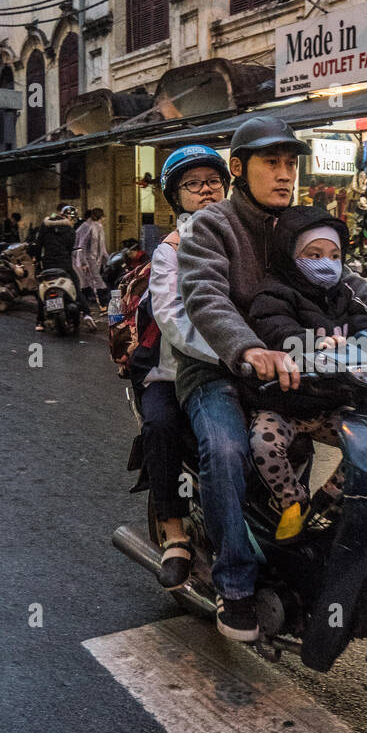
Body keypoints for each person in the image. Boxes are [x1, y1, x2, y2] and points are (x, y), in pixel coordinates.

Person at [175, 114, 367, 642]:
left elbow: (361, 294)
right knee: (229, 449)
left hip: (300, 372)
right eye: (271, 163)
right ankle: (234, 586)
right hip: (217, 368)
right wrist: (249, 348)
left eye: (290, 164)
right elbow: (205, 297)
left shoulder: (300, 226)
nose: (284, 175)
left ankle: (323, 533)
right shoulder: (211, 226)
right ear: (238, 169)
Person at [246, 207, 367, 539]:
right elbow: (276, 330)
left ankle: (329, 498)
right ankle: (292, 502)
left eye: (335, 255)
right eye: (315, 254)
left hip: (330, 404)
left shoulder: (345, 294)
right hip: (284, 403)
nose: (327, 262)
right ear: (291, 255)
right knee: (264, 444)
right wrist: (313, 345)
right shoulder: (273, 293)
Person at [136, 147, 230, 588]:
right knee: (160, 427)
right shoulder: (169, 252)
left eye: (212, 181)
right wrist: (236, 354)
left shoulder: (244, 236)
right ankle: (175, 533)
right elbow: (172, 319)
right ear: (177, 197)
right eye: (193, 184)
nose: (205, 190)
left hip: (242, 369)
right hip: (178, 373)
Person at [33, 203, 95, 331]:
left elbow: (38, 244)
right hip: (64, 264)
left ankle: (39, 321)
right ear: (71, 218)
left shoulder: (45, 225)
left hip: (48, 263)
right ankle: (87, 313)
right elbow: (69, 248)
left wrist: (38, 259)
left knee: (42, 288)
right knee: (76, 286)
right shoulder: (70, 230)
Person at [73, 207, 110, 312]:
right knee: (94, 281)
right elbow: (81, 245)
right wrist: (83, 262)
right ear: (101, 217)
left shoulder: (98, 227)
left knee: (90, 282)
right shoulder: (87, 226)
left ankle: (85, 306)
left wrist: (107, 259)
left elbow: (102, 247)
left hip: (94, 259)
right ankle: (102, 305)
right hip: (87, 259)